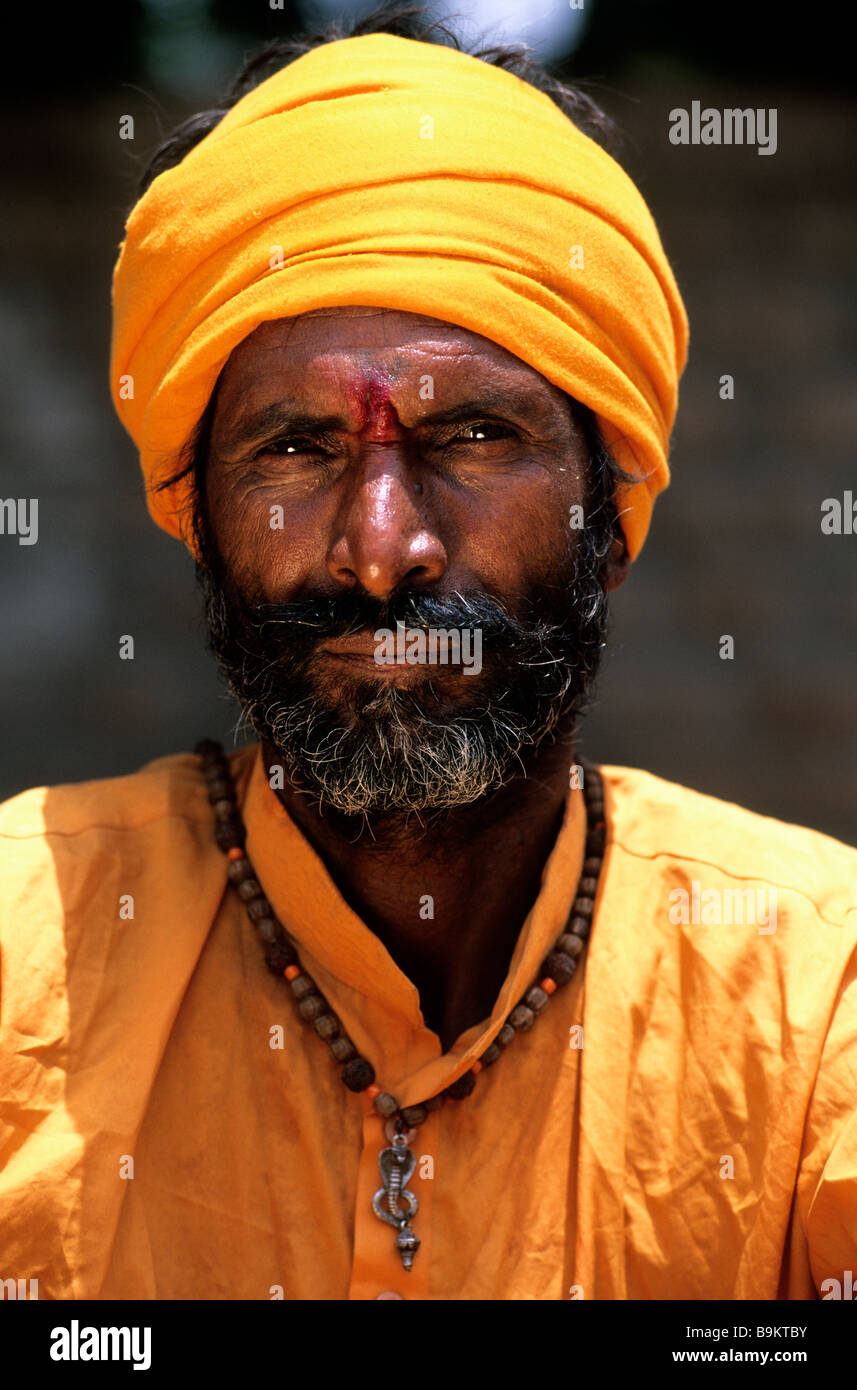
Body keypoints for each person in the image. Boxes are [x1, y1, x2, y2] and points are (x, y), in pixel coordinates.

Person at [1, 3, 855, 1302]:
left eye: (469, 438)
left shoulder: (810, 988)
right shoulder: (18, 953)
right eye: (294, 447)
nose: (380, 548)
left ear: (610, 509)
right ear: (198, 516)